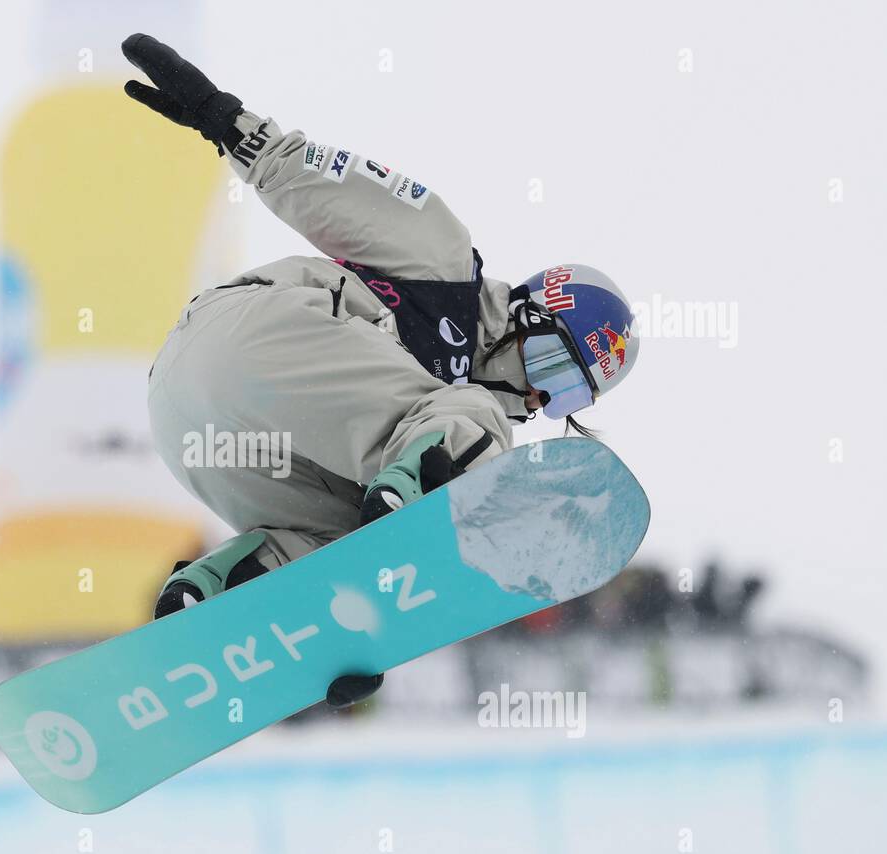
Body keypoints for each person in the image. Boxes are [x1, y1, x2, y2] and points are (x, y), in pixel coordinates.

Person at [125, 35, 640, 707]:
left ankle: (221, 597)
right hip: (258, 335)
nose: (539, 393)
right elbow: (331, 188)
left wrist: (339, 633)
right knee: (467, 416)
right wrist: (228, 123)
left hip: (185, 423)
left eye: (567, 394)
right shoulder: (447, 264)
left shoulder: (431, 416)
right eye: (551, 362)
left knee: (339, 538)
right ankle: (414, 501)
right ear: (527, 311)